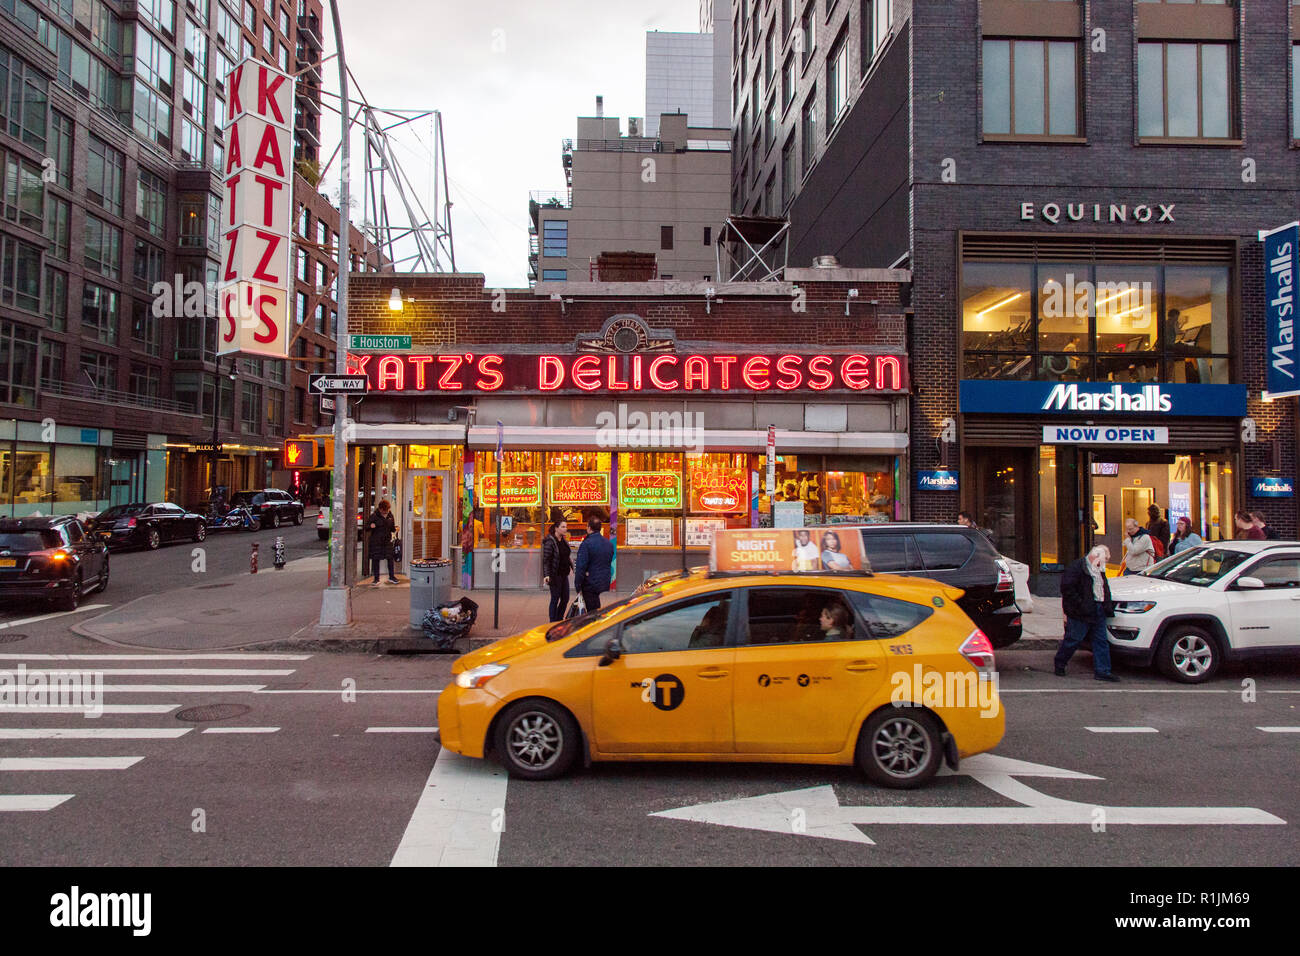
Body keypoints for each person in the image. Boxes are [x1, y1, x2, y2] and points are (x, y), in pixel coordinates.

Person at [1055, 545, 1120, 682]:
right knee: (1074, 639)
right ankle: (1060, 662)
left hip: (1098, 608)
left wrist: (1106, 605)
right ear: (1095, 557)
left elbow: (1104, 587)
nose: (1104, 564)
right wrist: (1081, 604)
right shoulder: (1076, 568)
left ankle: (1103, 671)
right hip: (1081, 611)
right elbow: (1068, 589)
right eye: (1104, 560)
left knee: (1101, 641)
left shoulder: (1098, 569)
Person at [573, 516, 614, 612]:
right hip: (604, 580)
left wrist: (578, 585)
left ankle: (595, 624)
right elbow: (608, 559)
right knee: (596, 604)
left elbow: (580, 567)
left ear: (589, 528)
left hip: (590, 582)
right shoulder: (608, 543)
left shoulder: (586, 544)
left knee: (592, 609)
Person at [541, 519, 572, 623]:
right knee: (555, 598)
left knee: (565, 598)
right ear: (556, 528)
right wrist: (546, 575)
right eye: (563, 527)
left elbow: (566, 556)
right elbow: (546, 560)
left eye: (566, 527)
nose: (565, 529)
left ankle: (559, 619)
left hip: (564, 574)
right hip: (555, 575)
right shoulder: (550, 541)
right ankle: (553, 621)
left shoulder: (563, 541)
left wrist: (571, 566)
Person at [366, 499, 398, 585]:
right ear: (380, 509)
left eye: (387, 510)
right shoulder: (374, 516)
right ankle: (376, 579)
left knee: (390, 558)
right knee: (376, 559)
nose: (385, 512)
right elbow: (366, 527)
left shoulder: (390, 516)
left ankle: (392, 577)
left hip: (387, 541)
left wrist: (395, 529)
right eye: (384, 511)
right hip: (376, 541)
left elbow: (392, 528)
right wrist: (371, 526)